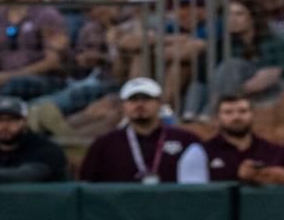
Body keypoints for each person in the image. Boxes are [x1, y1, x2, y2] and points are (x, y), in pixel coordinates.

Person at [77, 76, 209, 183]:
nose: (140, 104)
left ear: (159, 103)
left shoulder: (185, 140)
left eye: (146, 99)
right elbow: (87, 184)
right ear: (123, 105)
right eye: (133, 100)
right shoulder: (105, 144)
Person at [193, 0, 284, 118]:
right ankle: (194, 115)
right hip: (248, 91)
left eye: (239, 14)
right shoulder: (232, 42)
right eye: (228, 15)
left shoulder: (276, 40)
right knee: (200, 84)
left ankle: (212, 114)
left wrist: (231, 91)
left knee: (231, 66)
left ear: (253, 17)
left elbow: (265, 80)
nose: (232, 19)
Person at [203, 91, 280, 182]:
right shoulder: (204, 151)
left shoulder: (272, 151)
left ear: (253, 115)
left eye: (243, 111)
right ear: (217, 118)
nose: (236, 117)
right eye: (228, 112)